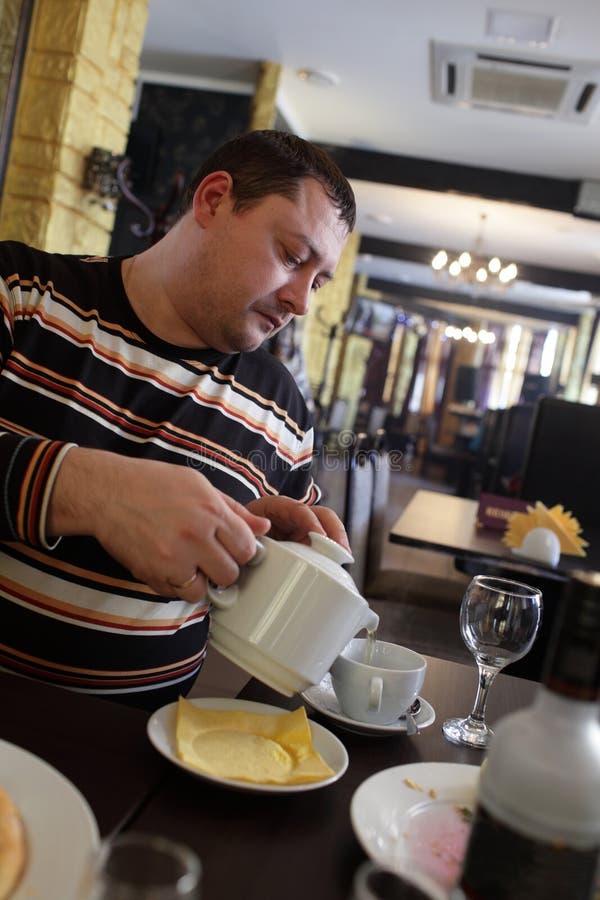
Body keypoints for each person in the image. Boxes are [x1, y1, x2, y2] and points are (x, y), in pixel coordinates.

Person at [0, 129, 356, 709]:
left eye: (318, 281)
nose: (302, 302)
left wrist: (264, 556)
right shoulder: (20, 294)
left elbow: (263, 611)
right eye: (292, 257)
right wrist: (95, 492)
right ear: (213, 200)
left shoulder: (283, 411)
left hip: (148, 753)